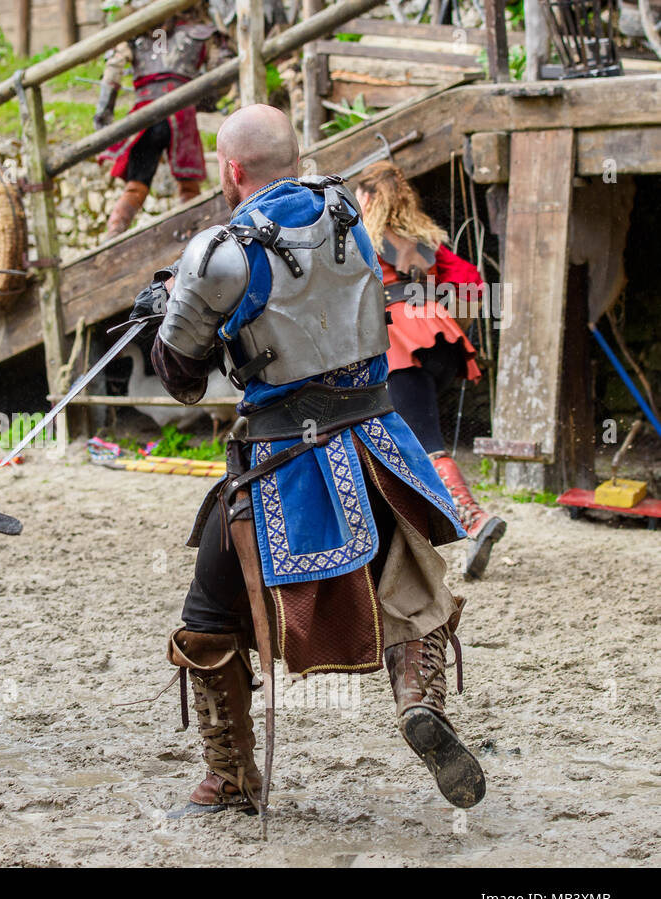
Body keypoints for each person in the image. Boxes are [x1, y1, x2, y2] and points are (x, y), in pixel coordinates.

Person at [137, 105, 486, 820]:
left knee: (208, 616)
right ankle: (417, 700)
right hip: (380, 440)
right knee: (408, 580)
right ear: (293, 155)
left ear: (231, 170)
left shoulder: (218, 252)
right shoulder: (349, 212)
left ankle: (230, 776)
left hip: (285, 458)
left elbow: (182, 377)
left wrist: (165, 306)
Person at [354, 161, 505, 579]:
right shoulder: (426, 241)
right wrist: (448, 318)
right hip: (440, 343)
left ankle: (472, 518)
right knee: (394, 440)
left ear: (367, 197)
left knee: (422, 440)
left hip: (400, 345)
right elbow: (473, 283)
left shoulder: (359, 240)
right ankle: (397, 542)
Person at [94, 2, 226, 239]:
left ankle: (112, 236)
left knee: (136, 185)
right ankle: (194, 241)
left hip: (146, 115)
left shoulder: (133, 31)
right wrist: (205, 101)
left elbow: (112, 72)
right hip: (181, 115)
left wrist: (103, 118)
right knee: (188, 188)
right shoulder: (199, 29)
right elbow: (222, 70)